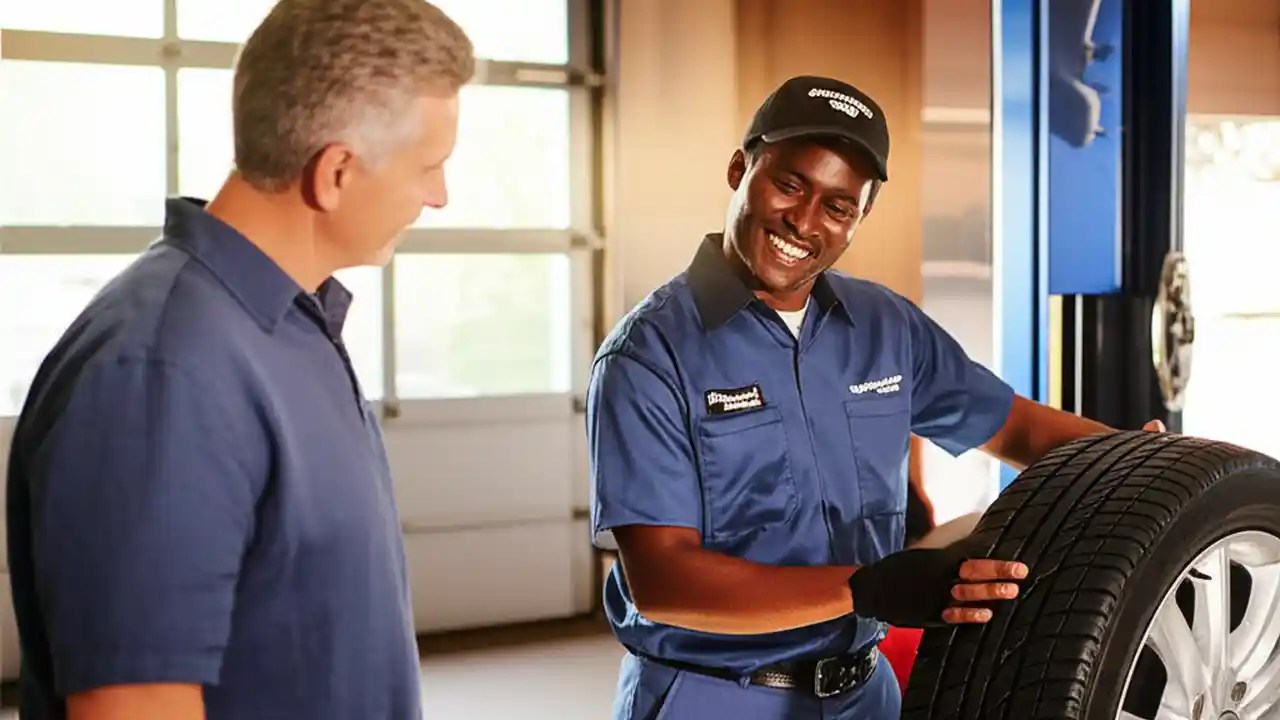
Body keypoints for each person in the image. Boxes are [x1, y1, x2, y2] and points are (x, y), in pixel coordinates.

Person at [585, 75, 1164, 719]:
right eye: (789, 184)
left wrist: (1143, 468)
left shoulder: (885, 326)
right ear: (739, 169)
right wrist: (869, 587)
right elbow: (663, 582)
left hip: (866, 694)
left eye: (838, 206)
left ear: (861, 217)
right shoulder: (649, 354)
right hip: (715, 696)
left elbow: (1019, 429)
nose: (804, 222)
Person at [5, 2, 473, 718]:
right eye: (430, 167)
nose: (438, 196)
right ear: (337, 173)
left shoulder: (287, 328)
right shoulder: (162, 372)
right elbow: (137, 705)